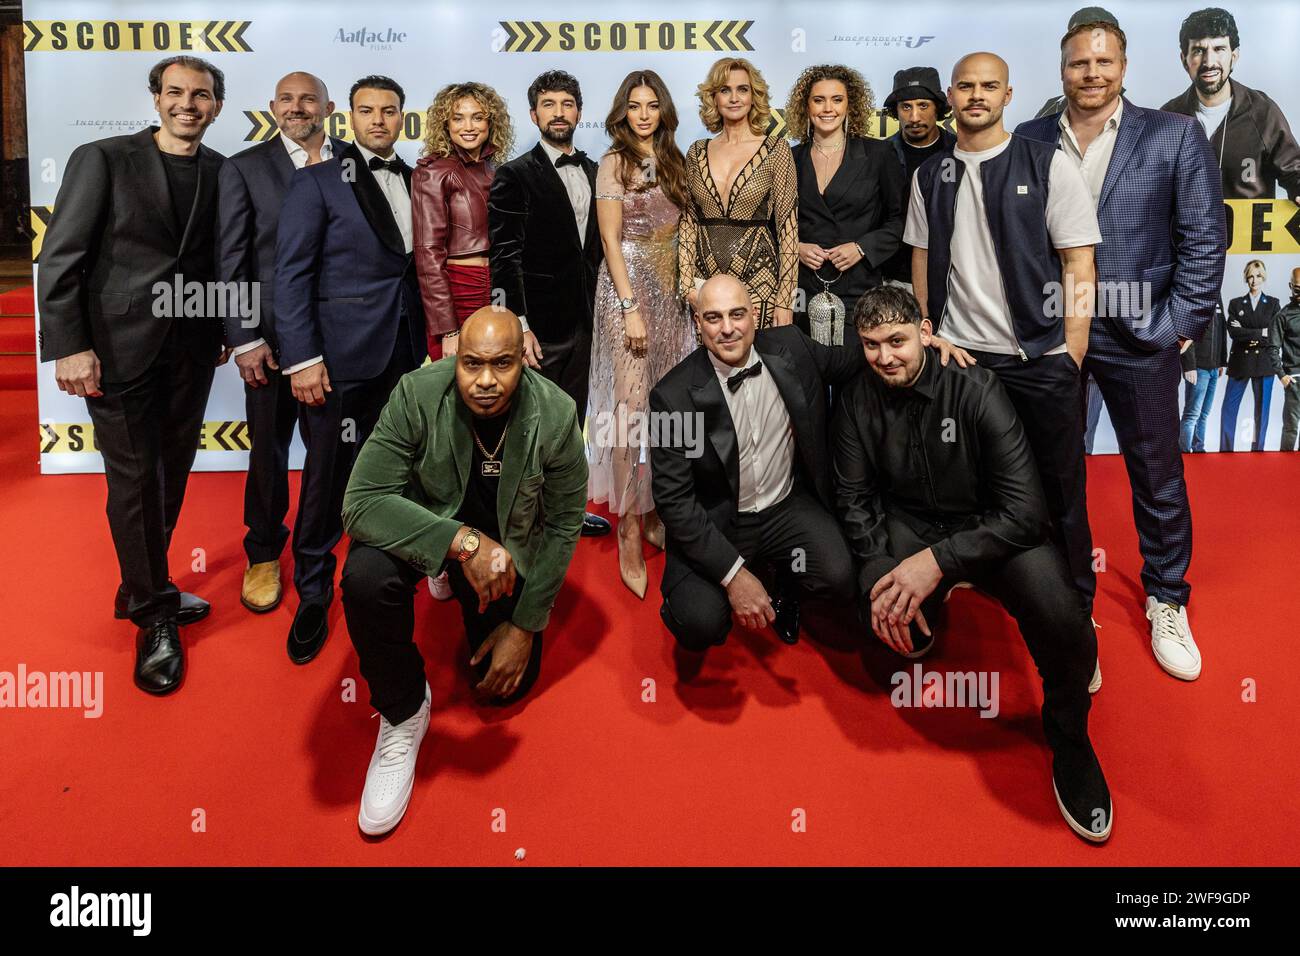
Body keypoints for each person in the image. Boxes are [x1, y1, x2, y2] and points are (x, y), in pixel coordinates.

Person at [832, 285, 1111, 843]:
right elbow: (854, 500)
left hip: (991, 528)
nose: (886, 356)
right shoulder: (856, 397)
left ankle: (1069, 735)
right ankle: (931, 604)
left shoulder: (977, 388)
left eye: (897, 341)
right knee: (881, 620)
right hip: (909, 524)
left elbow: (1026, 514)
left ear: (925, 331)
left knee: (1065, 619)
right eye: (871, 344)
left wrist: (937, 562)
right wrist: (880, 572)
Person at [1016, 18, 1226, 682]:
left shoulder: (1174, 135)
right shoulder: (1028, 138)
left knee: (1157, 476)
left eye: (1104, 61)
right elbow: (1016, 241)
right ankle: (1074, 610)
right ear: (1062, 69)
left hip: (1141, 338)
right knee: (1056, 475)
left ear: (1125, 66)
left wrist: (1177, 327)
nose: (1092, 73)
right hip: (1054, 336)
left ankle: (1167, 597)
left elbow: (1203, 237)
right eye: (1080, 63)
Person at [340, 307, 587, 836]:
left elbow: (565, 525)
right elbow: (360, 503)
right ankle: (404, 711)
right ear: (454, 359)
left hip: (507, 541)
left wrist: (524, 627)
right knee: (365, 579)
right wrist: (460, 543)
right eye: (471, 364)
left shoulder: (558, 414)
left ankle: (462, 576)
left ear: (526, 361)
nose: (486, 381)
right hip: (429, 520)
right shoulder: (416, 394)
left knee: (500, 688)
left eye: (502, 364)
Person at [38, 56, 228, 695]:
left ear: (217, 106)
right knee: (135, 477)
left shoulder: (221, 170)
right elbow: (61, 256)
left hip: (191, 348)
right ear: (155, 98)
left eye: (200, 96)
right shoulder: (104, 158)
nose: (187, 104)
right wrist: (70, 345)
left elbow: (221, 260)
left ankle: (144, 585)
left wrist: (229, 327)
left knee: (171, 473)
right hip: (117, 349)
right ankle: (153, 614)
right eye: (175, 93)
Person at [907, 52, 1102, 613]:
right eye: (965, 86)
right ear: (950, 95)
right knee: (973, 487)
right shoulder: (929, 174)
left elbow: (1079, 263)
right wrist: (927, 325)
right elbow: (921, 256)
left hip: (1040, 359)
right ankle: (997, 585)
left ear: (1008, 95)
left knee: (1060, 490)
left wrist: (1073, 350)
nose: (976, 96)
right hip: (962, 361)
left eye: (988, 86)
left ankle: (1075, 611)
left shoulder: (1046, 164)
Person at [275, 75, 428, 664]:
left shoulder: (418, 181)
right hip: (336, 360)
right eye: (367, 110)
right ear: (350, 117)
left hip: (404, 351)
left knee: (399, 466)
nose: (379, 121)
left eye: (390, 110)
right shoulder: (317, 181)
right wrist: (304, 359)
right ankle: (313, 588)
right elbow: (290, 277)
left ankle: (391, 566)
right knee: (327, 473)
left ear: (401, 117)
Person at [649, 275, 861, 666]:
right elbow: (674, 503)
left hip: (786, 507)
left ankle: (783, 577)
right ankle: (732, 578)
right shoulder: (670, 397)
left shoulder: (792, 348)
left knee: (840, 576)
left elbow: (847, 358)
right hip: (720, 520)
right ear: (698, 324)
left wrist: (915, 342)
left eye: (737, 314)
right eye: (713, 317)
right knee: (698, 622)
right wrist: (733, 576)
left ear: (756, 316)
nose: (727, 328)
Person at [218, 71, 346, 615]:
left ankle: (323, 547)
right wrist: (244, 338)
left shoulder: (352, 161)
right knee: (269, 449)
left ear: (328, 106)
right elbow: (231, 260)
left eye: (308, 99)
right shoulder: (244, 168)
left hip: (341, 338)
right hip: (270, 339)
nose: (298, 108)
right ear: (272, 107)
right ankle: (264, 552)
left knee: (332, 452)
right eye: (287, 100)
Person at [588, 70, 696, 597]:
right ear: (622, 112)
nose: (644, 114)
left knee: (664, 410)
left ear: (664, 110)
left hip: (672, 294)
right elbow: (609, 240)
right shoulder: (614, 161)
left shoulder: (677, 160)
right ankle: (628, 527)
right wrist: (631, 307)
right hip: (626, 289)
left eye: (653, 105)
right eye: (635, 105)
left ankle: (653, 510)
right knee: (628, 412)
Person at [489, 70, 610, 537]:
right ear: (534, 113)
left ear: (579, 112)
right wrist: (517, 324)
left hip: (587, 320)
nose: (559, 112)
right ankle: (521, 522)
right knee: (529, 425)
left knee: (571, 422)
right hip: (539, 325)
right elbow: (504, 256)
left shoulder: (598, 171)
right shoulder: (514, 175)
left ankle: (565, 512)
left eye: (567, 103)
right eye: (549, 104)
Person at [785, 64, 904, 345]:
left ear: (850, 104)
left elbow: (900, 220)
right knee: (806, 377)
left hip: (859, 288)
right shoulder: (789, 158)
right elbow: (773, 223)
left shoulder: (879, 154)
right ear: (806, 106)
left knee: (856, 378)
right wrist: (795, 247)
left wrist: (862, 248)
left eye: (837, 99)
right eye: (818, 100)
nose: (828, 108)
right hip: (802, 289)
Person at [679, 58, 798, 328]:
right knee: (708, 366)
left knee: (757, 364)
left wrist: (785, 300)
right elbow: (688, 222)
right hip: (704, 281)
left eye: (742, 89)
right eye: (725, 90)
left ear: (753, 96)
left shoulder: (776, 149)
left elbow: (788, 228)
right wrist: (687, 285)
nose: (734, 98)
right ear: (714, 98)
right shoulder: (696, 151)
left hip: (760, 280)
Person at [413, 81, 513, 362]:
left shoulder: (498, 169)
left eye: (477, 117)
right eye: (458, 118)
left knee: (500, 379)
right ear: (445, 124)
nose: (468, 126)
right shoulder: (432, 171)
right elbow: (428, 254)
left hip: (498, 286)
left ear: (491, 122)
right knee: (458, 382)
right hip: (458, 290)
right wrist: (448, 329)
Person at [1160, 7, 1300, 201]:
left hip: (1250, 231)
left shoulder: (1262, 112)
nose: (1209, 62)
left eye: (1219, 49)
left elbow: (1295, 172)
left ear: (1233, 56)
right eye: (1199, 50)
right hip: (1187, 232)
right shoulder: (1167, 117)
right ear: (1184, 59)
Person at [879, 67, 955, 290]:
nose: (914, 117)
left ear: (937, 108)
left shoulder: (959, 152)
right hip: (891, 278)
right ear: (896, 110)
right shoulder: (880, 155)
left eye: (923, 105)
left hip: (950, 277)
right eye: (906, 107)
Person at [1220, 259, 1282, 451]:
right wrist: (1260, 332)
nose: (1254, 280)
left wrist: (1248, 330)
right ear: (1246, 278)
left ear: (1263, 277)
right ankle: (1225, 450)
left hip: (1264, 363)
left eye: (1258, 276)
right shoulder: (1236, 303)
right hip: (1241, 361)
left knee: (1262, 412)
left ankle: (1259, 451)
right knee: (1228, 409)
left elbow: (1273, 335)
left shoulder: (1273, 304)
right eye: (1250, 276)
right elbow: (1234, 332)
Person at [1033, 7, 1126, 119]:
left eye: (1103, 61)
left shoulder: (1146, 124)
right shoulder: (1053, 106)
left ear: (1122, 66)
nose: (1092, 73)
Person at [1179, 298, 1228, 453]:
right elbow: (1185, 333)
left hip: (1213, 368)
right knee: (1192, 414)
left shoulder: (1218, 296)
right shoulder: (1194, 295)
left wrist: (1221, 361)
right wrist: (1189, 366)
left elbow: (1221, 330)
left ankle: (1199, 449)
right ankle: (1184, 452)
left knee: (1204, 413)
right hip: (1198, 368)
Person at [1277, 268, 1300, 451]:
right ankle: (1285, 466)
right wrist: (1282, 375)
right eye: (1297, 290)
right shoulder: (1283, 315)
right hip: (1295, 378)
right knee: (1291, 427)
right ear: (1291, 287)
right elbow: (1271, 348)